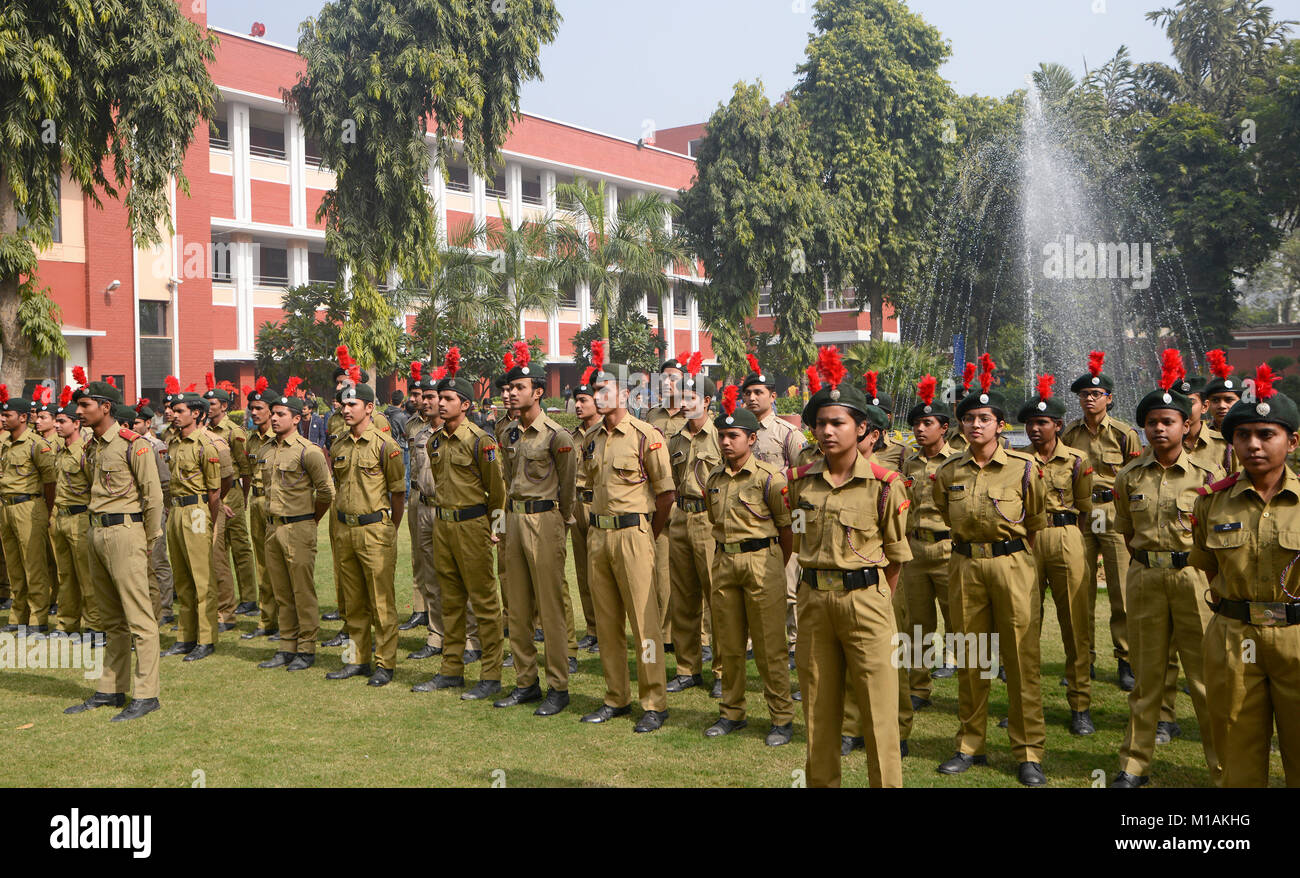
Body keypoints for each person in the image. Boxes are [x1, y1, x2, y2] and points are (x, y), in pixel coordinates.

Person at [787, 348, 911, 787]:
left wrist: (871, 593)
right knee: (818, 709)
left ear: (862, 429)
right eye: (821, 422)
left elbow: (895, 558)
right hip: (815, 602)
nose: (826, 430)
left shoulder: (884, 485)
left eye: (837, 422)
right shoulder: (801, 481)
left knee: (879, 710)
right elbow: (795, 539)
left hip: (866, 602)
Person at [934, 354, 1049, 787]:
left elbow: (1035, 524)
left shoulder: (1024, 469)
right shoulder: (949, 472)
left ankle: (1028, 751)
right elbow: (945, 516)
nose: (975, 425)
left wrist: (1014, 560)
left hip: (1012, 564)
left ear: (1000, 425)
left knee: (1022, 659)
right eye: (968, 418)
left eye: (984, 418)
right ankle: (970, 744)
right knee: (971, 657)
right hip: (965, 565)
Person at [1111, 351, 1223, 788]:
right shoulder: (1129, 476)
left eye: (1169, 421)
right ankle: (1133, 764)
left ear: (1185, 426)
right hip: (1145, 579)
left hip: (1194, 579)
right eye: (1153, 421)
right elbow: (1125, 532)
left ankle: (1223, 765)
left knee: (1206, 679)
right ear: (1145, 426)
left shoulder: (1209, 475)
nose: (1160, 428)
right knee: (1146, 679)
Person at [1191, 365, 1300, 787]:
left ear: (1291, 441)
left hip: (1295, 636)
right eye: (1242, 436)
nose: (1253, 444)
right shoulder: (1212, 504)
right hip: (1236, 637)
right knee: (1237, 752)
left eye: (1266, 434)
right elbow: (1209, 565)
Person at [580, 342, 676, 733]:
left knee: (643, 621)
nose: (597, 396)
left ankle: (653, 701)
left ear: (625, 393)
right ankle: (615, 697)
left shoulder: (645, 434)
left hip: (634, 533)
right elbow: (586, 489)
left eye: (604, 389)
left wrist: (645, 534)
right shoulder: (592, 439)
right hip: (598, 536)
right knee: (606, 622)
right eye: (595, 389)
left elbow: (666, 493)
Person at [64, 377, 164, 721]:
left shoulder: (131, 444)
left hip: (125, 532)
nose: (79, 411)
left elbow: (153, 496)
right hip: (96, 533)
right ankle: (111, 688)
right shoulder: (93, 445)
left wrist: (149, 542)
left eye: (85, 405)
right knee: (111, 619)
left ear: (105, 407)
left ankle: (147, 694)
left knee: (139, 618)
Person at [412, 348, 507, 698]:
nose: (440, 403)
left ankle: (491, 675)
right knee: (450, 600)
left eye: (449, 398)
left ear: (465, 404)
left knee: (483, 601)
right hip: (443, 526)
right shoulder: (435, 440)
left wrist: (497, 530)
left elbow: (497, 492)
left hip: (473, 526)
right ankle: (451, 669)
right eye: (441, 398)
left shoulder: (482, 442)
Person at [704, 384, 795, 746]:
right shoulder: (713, 479)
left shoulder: (770, 478)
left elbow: (787, 530)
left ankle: (781, 718)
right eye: (722, 436)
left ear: (752, 439)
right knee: (728, 644)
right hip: (725, 560)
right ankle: (732, 712)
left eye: (734, 436)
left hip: (763, 562)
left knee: (770, 644)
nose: (726, 443)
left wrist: (772, 561)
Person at [494, 342, 577, 715]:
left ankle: (558, 686)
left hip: (546, 520)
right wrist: (500, 524)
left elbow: (568, 489)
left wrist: (558, 526)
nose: (511, 393)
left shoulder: (557, 436)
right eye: (508, 388)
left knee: (550, 606)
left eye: (519, 388)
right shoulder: (507, 432)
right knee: (517, 605)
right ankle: (525, 682)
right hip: (512, 521)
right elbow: (504, 484)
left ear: (538, 392)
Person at [1017, 375, 1095, 735]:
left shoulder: (1077, 460)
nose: (1035, 428)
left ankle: (1080, 704)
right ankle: (1023, 705)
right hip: (1028, 540)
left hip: (1066, 536)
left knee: (1075, 624)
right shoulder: (1016, 461)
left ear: (1058, 425)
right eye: (1031, 422)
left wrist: (1075, 542)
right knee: (1024, 625)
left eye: (1042, 422)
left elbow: (1085, 508)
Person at [1063, 350, 1142, 692]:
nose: (1090, 399)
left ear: (1109, 399)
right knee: (1080, 591)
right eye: (1084, 395)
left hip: (1113, 513)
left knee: (1121, 591)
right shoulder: (1069, 433)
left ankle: (1126, 660)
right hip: (1082, 516)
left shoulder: (1125, 434)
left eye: (1096, 394)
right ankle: (1085, 659)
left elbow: (1135, 477)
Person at [327, 375, 405, 687]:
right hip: (345, 529)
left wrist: (389, 528)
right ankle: (355, 660)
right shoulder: (339, 445)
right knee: (353, 603)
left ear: (369, 407)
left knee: (381, 602)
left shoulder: (386, 446)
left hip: (375, 530)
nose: (345, 410)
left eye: (352, 404)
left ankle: (385, 664)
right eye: (343, 404)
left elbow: (398, 493)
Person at [258, 379, 335, 671]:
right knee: (281, 591)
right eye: (273, 414)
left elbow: (327, 492)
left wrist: (311, 519)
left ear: (297, 418)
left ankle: (306, 647)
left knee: (302, 591)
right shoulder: (267, 450)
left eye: (280, 414)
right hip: (273, 528)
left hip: (299, 527)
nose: (274, 418)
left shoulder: (309, 451)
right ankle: (286, 646)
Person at [742, 354, 807, 667]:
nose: (753, 398)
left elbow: (801, 479)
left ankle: (794, 644)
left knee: (789, 587)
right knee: (754, 587)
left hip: (782, 520)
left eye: (759, 392)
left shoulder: (787, 434)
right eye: (748, 393)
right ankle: (754, 640)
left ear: (773, 396)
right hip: (747, 522)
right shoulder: (738, 430)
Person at [899, 375, 958, 710]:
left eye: (927, 423)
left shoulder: (957, 461)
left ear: (944, 427)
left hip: (948, 548)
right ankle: (917, 686)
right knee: (915, 622)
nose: (921, 430)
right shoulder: (910, 463)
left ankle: (965, 673)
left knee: (960, 618)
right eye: (917, 424)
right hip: (915, 550)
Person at [665, 352, 720, 696]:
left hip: (709, 520)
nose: (684, 403)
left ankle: (722, 669)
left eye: (691, 398)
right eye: (682, 397)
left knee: (718, 597)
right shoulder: (676, 438)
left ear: (707, 401)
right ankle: (687, 668)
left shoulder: (721, 437)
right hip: (681, 518)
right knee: (683, 597)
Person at [162, 389, 225, 661]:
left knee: (202, 579)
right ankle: (185, 636)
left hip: (198, 510)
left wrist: (209, 519)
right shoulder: (174, 443)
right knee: (182, 578)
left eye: (179, 411)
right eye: (173, 411)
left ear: (196, 414)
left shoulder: (206, 445)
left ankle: (206, 638)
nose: (173, 416)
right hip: (176, 510)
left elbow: (214, 490)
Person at [0, 385, 56, 636]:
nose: (3, 418)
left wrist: (49, 512)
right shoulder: (5, 444)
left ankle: (37, 619)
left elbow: (50, 482)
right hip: (7, 507)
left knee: (34, 565)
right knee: (14, 566)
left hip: (30, 506)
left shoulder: (36, 444)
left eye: (7, 415)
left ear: (22, 417)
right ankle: (17, 615)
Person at [203, 375, 258, 619]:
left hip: (233, 489)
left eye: (213, 403)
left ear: (224, 406)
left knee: (240, 544)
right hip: (213, 491)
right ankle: (224, 597)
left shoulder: (234, 431)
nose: (209, 406)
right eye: (207, 402)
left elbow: (245, 468)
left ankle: (249, 598)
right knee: (216, 545)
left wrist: (243, 497)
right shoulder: (203, 430)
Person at [49, 386, 96, 639]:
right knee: (65, 574)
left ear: (76, 424)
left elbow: (93, 487)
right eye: (56, 421)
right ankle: (67, 624)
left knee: (86, 576)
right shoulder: (61, 450)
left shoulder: (85, 453)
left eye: (62, 421)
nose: (57, 425)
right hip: (61, 516)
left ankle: (93, 625)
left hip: (80, 517)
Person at [647, 357, 687, 650]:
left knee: (690, 574)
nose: (668, 382)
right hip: (660, 502)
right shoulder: (651, 417)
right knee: (661, 574)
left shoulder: (694, 415)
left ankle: (699, 634)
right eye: (664, 377)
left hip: (688, 503)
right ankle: (665, 635)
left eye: (674, 377)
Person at [240, 378, 278, 640]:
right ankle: (267, 620)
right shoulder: (251, 440)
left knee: (281, 565)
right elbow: (246, 473)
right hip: (256, 502)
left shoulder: (280, 438)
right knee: (262, 564)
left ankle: (287, 620)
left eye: (259, 408)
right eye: (251, 408)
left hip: (276, 503)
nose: (253, 412)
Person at [570, 369, 603, 652]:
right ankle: (592, 629)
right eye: (576, 401)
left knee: (599, 572)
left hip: (598, 504)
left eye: (584, 400)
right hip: (576, 504)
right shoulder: (571, 435)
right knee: (582, 571)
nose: (578, 405)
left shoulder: (604, 433)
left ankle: (605, 629)